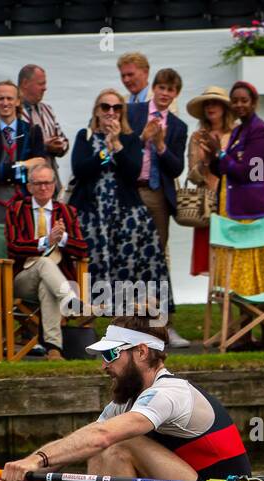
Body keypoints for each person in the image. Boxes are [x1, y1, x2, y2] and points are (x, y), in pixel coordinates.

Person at [0, 316, 252, 481]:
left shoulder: (170, 393)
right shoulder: (127, 403)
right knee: (96, 444)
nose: (103, 366)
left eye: (111, 355)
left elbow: (103, 437)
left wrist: (33, 460)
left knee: (116, 443)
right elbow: (81, 445)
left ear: (141, 352)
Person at [69, 88, 172, 329]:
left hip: (125, 215)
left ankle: (136, 321)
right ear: (97, 111)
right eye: (105, 107)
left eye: (117, 108)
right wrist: (104, 150)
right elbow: (81, 170)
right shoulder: (84, 137)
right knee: (93, 266)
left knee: (130, 267)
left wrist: (116, 144)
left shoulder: (129, 139)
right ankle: (88, 320)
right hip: (93, 216)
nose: (111, 112)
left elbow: (132, 172)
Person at [201, 81, 264, 345]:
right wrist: (213, 153)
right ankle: (247, 331)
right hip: (231, 207)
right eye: (235, 100)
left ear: (253, 102)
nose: (239, 105)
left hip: (250, 211)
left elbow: (251, 173)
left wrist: (220, 152)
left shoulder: (260, 131)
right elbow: (222, 168)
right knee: (236, 275)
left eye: (244, 100)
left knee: (253, 274)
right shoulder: (237, 131)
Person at [127, 68, 189, 347]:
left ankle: (162, 325)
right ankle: (129, 325)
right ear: (153, 88)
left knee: (156, 261)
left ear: (176, 94)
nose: (165, 93)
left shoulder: (178, 126)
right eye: (161, 88)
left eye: (171, 90)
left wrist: (162, 145)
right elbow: (121, 149)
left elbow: (177, 167)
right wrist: (142, 138)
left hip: (156, 195)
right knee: (128, 258)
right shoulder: (133, 111)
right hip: (129, 192)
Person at [5, 160, 91, 360]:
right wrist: (46, 241)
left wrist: (64, 239)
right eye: (38, 184)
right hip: (23, 278)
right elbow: (13, 247)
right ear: (29, 187)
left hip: (55, 281)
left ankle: (53, 349)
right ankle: (70, 300)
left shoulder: (68, 212)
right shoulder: (16, 209)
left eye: (48, 183)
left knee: (48, 285)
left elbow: (83, 249)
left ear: (54, 185)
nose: (43, 187)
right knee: (45, 263)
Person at [0, 79, 46, 229]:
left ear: (18, 101)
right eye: (0, 98)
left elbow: (39, 169)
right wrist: (23, 165)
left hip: (25, 204)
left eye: (9, 98)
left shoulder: (33, 132)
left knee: (26, 251)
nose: (5, 103)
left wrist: (1, 169)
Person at [184, 85, 233, 278]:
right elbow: (192, 176)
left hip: (232, 201)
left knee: (232, 255)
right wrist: (204, 162)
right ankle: (216, 304)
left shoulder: (236, 134)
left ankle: (230, 304)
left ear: (224, 107)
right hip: (208, 203)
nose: (210, 107)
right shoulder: (197, 137)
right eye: (207, 104)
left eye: (215, 103)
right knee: (212, 262)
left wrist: (219, 155)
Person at [18, 64, 69, 194]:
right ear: (25, 83)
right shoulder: (11, 111)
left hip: (51, 182)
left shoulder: (47, 109)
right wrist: (44, 145)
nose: (45, 88)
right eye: (41, 84)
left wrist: (59, 145)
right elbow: (12, 145)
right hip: (24, 182)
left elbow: (64, 139)